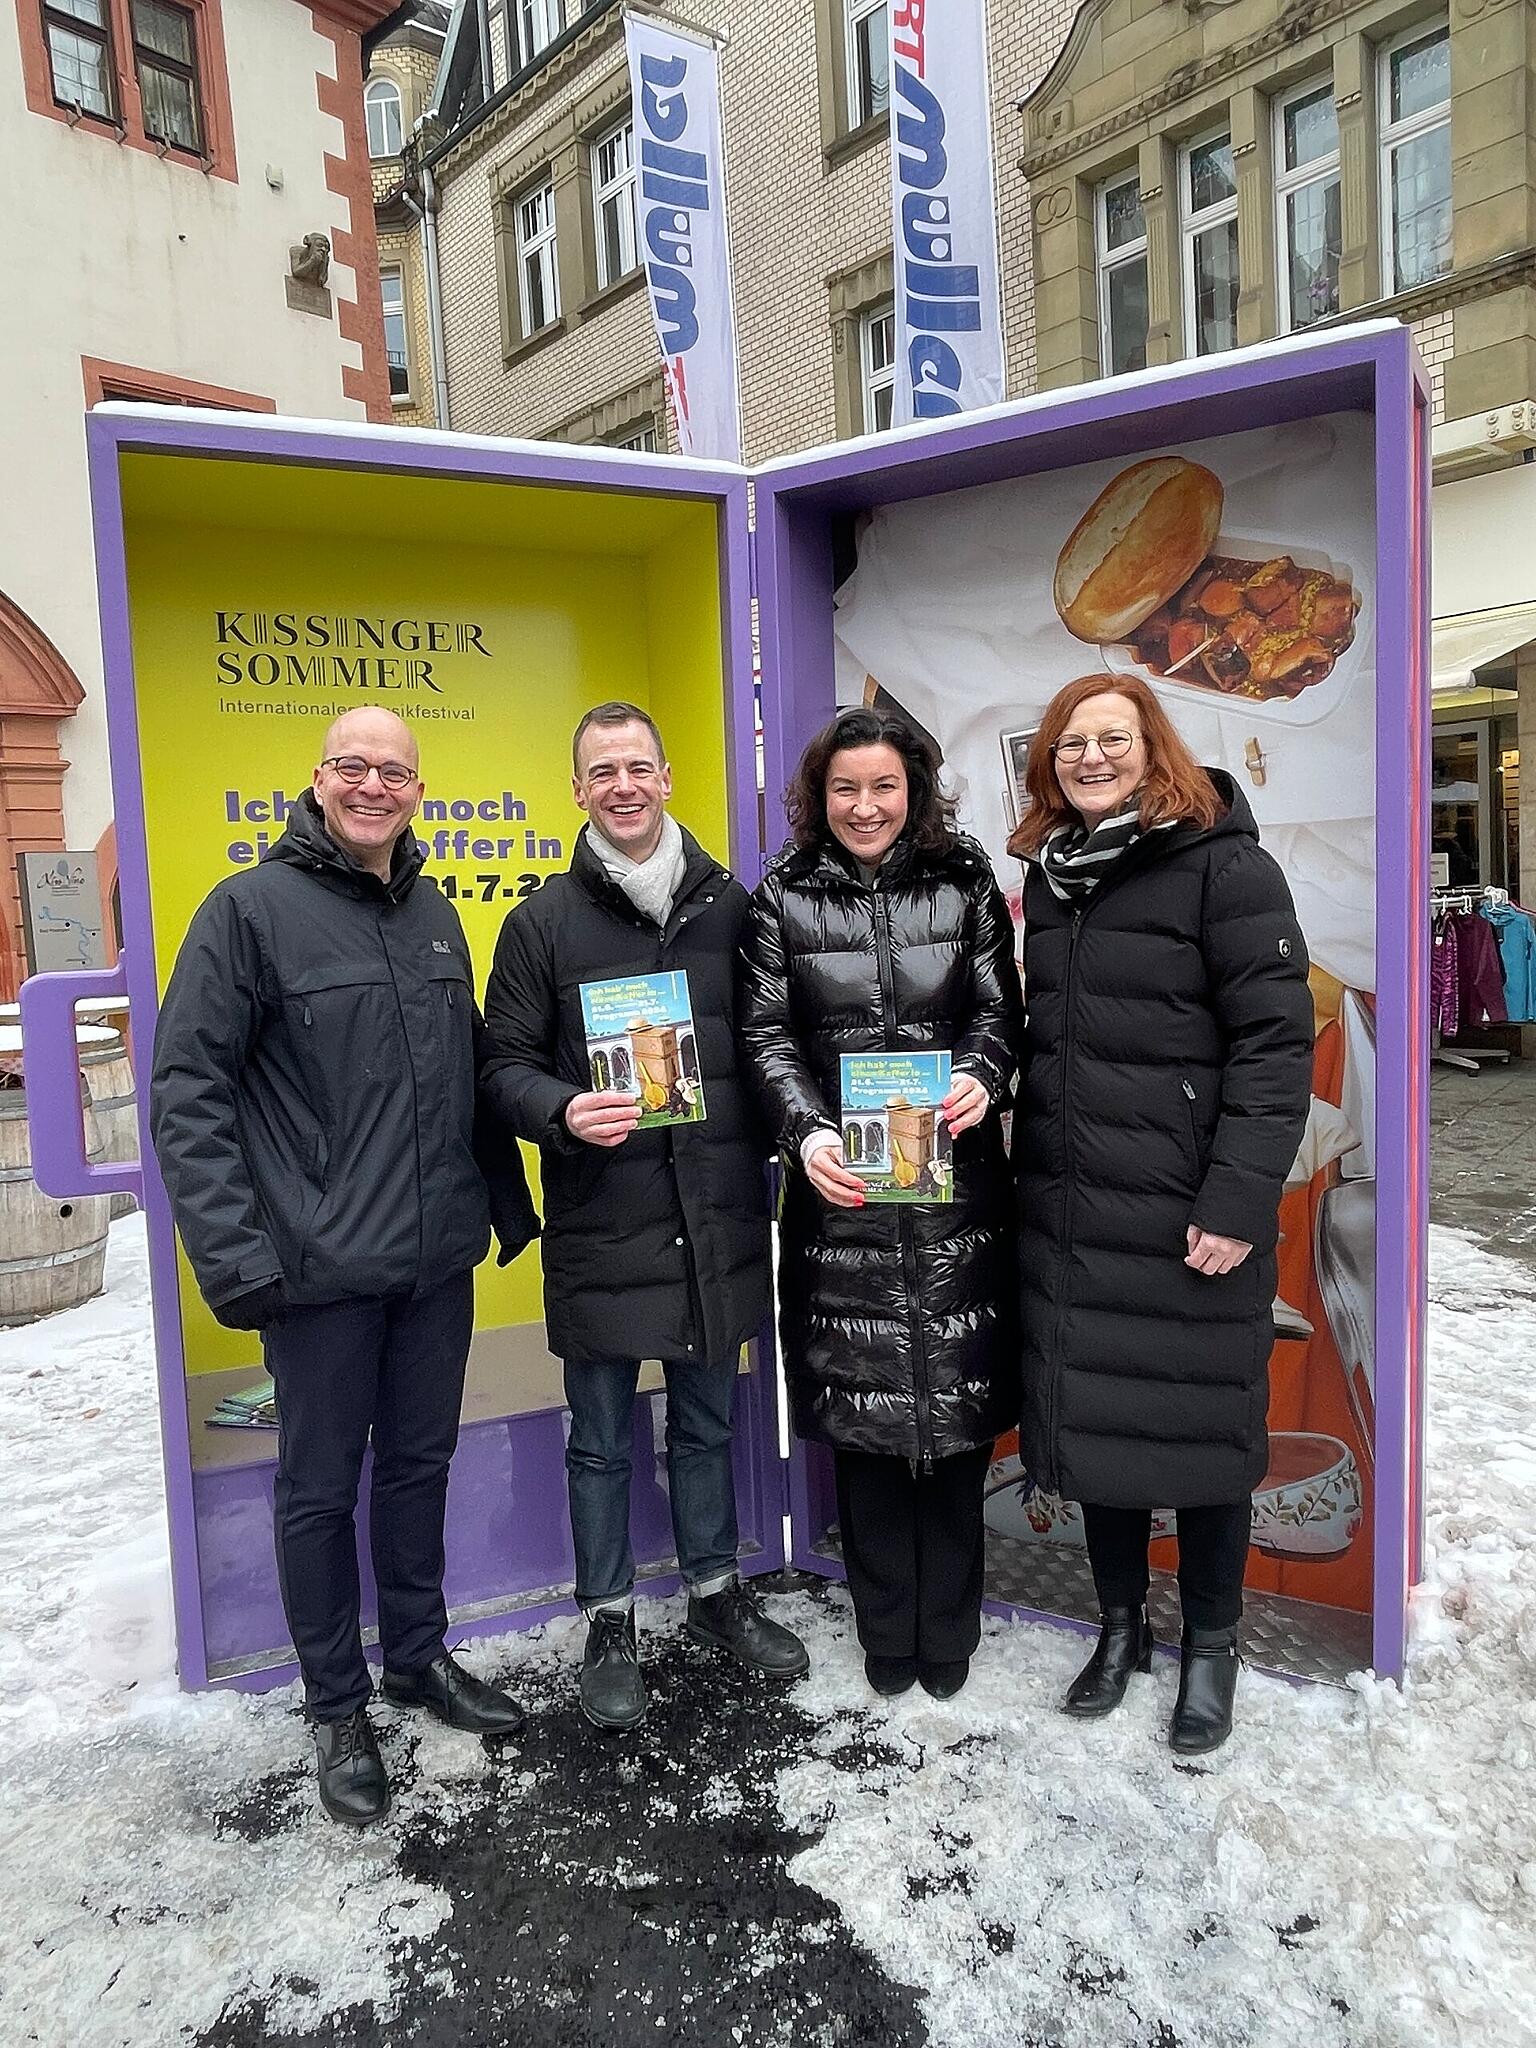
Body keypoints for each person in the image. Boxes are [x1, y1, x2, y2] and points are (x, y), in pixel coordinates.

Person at [150, 708, 537, 1826]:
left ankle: (417, 1657)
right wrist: (237, 1258)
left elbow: (462, 1070)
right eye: (354, 766)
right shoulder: (247, 912)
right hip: (315, 1273)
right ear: (318, 778)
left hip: (431, 1264)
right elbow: (189, 1094)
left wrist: (498, 1200)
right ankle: (335, 1704)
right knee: (318, 1490)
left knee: (418, 1464)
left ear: (419, 788)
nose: (375, 784)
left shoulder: (430, 909)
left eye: (395, 770)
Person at [480, 701, 808, 1732]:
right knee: (602, 1438)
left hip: (713, 1213)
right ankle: (610, 1616)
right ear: (577, 788)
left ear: (667, 777)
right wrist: (562, 1110)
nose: (622, 785)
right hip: (602, 1218)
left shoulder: (734, 908)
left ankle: (714, 1590)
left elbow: (772, 1041)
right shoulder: (539, 922)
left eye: (638, 767)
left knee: (710, 1421)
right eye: (601, 770)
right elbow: (498, 1067)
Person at [1008, 674, 1313, 1755]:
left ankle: (1212, 1647)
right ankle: (1123, 1627)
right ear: (1049, 761)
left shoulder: (1226, 866)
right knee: (1098, 1425)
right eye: (1072, 742)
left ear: (1154, 749)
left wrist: (1236, 1197)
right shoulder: (1053, 882)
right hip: (1075, 1209)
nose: (1092, 756)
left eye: (1113, 739)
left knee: (1203, 1438)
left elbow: (1279, 1049)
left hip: (1190, 1216)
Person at [739, 707, 1023, 1701]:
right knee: (864, 1428)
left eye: (884, 786)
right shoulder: (780, 898)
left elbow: (1001, 1006)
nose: (865, 806)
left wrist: (986, 1071)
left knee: (953, 1425)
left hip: (957, 1198)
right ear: (818, 797)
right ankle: (884, 1627)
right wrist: (806, 1130)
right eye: (845, 788)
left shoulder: (965, 878)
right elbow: (764, 1034)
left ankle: (949, 1631)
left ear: (917, 791)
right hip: (842, 1199)